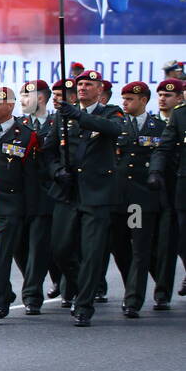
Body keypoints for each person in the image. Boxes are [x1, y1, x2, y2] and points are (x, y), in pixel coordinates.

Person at [44, 70, 122, 327]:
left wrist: (79, 115)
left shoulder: (110, 112)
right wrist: (57, 171)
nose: (83, 88)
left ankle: (84, 304)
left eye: (89, 84)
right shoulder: (62, 116)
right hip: (68, 192)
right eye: (80, 84)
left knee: (92, 251)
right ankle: (82, 286)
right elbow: (49, 151)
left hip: (96, 193)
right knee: (60, 248)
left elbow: (113, 129)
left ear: (100, 89)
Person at [0, 86, 40, 326]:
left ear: (10, 106)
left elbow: (30, 176)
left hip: (9, 204)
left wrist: (30, 211)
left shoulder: (26, 134)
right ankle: (3, 292)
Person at [110, 82, 164, 318]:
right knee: (119, 248)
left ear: (143, 100)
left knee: (140, 249)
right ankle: (130, 286)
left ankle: (133, 299)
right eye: (123, 99)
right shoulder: (116, 125)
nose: (125, 103)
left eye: (130, 99)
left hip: (139, 201)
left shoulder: (158, 128)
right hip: (115, 198)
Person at [15, 80, 54, 314]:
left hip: (46, 193)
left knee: (39, 246)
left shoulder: (57, 122)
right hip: (20, 194)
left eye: (25, 96)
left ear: (40, 99)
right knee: (19, 246)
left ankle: (32, 294)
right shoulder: (19, 125)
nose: (21, 101)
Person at [150, 78, 186, 300]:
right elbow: (163, 148)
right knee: (179, 239)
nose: (163, 99)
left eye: (168, 95)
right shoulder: (180, 115)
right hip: (180, 187)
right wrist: (155, 171)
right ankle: (162, 292)